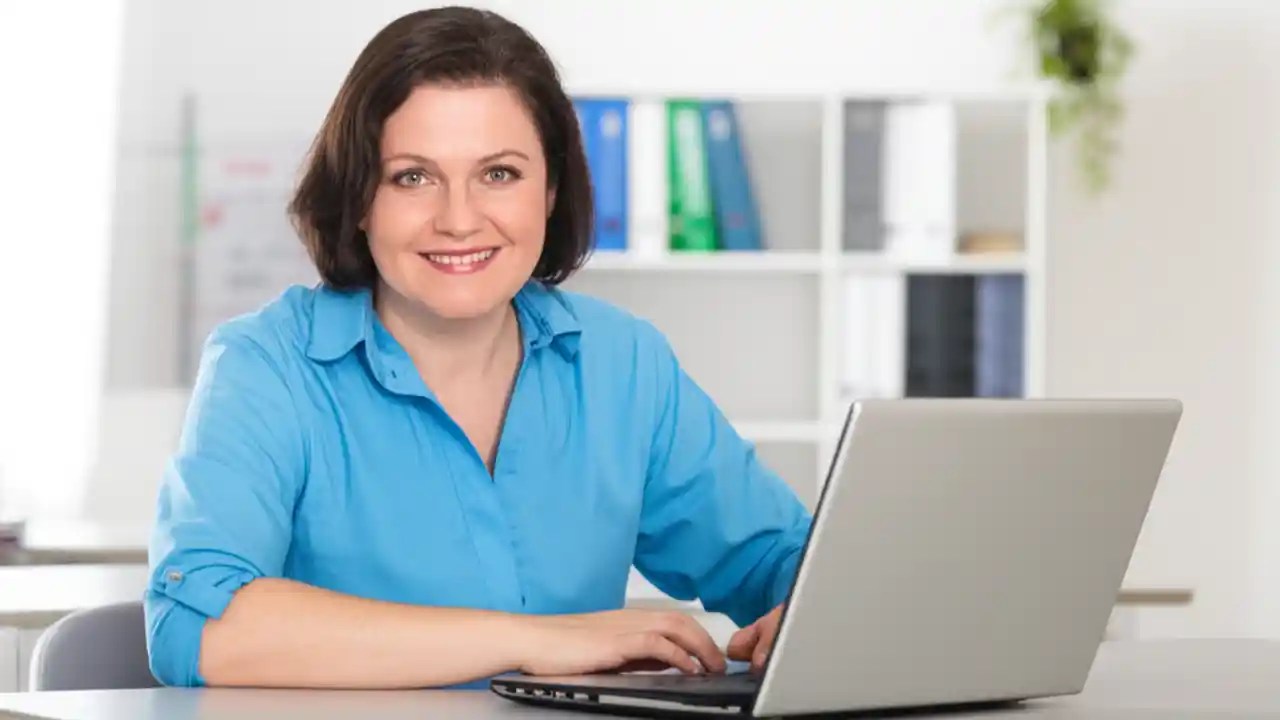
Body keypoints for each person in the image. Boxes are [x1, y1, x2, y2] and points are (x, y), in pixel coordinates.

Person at [144, 6, 812, 689]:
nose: (459, 220)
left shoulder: (623, 363)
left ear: (550, 190)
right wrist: (532, 641)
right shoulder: (265, 367)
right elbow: (197, 630)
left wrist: (802, 612)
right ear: (360, 199)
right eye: (413, 177)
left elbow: (785, 563)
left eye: (499, 174)